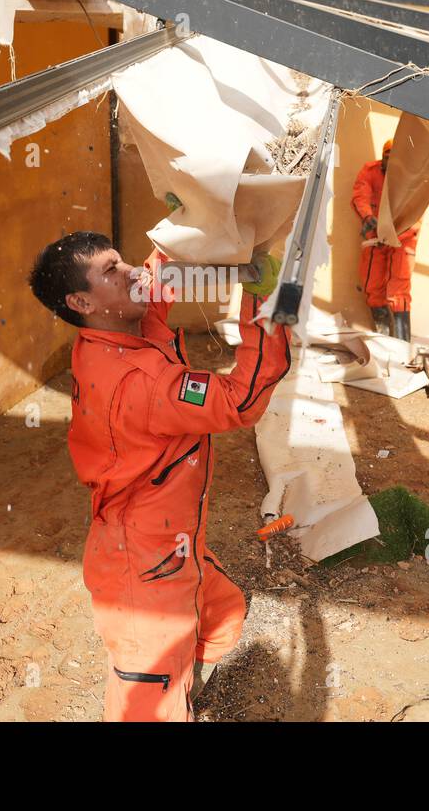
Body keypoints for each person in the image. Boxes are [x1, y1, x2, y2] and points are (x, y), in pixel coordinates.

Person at [28, 232, 291, 721]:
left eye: (123, 261)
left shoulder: (110, 334)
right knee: (146, 694)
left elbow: (154, 283)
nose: (130, 272)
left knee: (224, 614)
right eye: (111, 271)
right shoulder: (142, 382)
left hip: (167, 540)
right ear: (81, 301)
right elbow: (240, 399)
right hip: (143, 564)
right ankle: (170, 693)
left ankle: (183, 685)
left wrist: (184, 224)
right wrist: (265, 303)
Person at [352, 138, 420, 342]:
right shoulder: (370, 171)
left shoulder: (412, 178)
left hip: (402, 239)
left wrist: (391, 235)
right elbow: (359, 196)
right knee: (372, 287)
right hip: (376, 238)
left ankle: (403, 344)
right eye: (386, 158)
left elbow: (415, 213)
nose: (388, 163)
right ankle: (382, 340)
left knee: (399, 290)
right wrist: (368, 218)